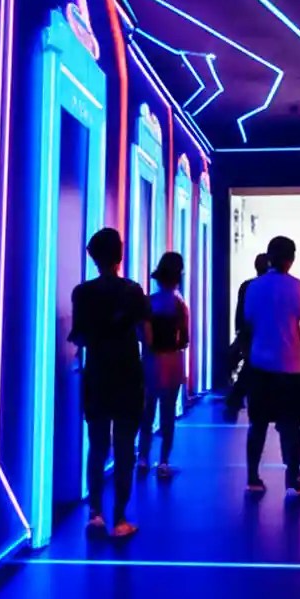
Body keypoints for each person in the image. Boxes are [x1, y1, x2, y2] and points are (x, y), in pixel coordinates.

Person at [68, 228, 151, 538]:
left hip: (98, 372)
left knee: (98, 443)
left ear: (93, 256)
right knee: (125, 445)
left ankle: (95, 513)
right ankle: (119, 518)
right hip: (128, 371)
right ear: (119, 254)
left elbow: (80, 336)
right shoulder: (133, 291)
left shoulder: (82, 293)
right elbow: (144, 335)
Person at [241, 236, 300, 498]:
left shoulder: (254, 287)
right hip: (289, 365)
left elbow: (249, 323)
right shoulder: (297, 287)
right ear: (291, 258)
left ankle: (253, 477)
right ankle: (293, 476)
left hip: (260, 365)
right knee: (290, 425)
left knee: (258, 424)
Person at [139, 252, 189, 477]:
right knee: (168, 413)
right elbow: (185, 339)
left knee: (146, 412)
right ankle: (164, 462)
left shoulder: (148, 302)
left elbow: (142, 335)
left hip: (150, 361)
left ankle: (142, 458)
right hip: (172, 361)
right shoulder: (180, 305)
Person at [224, 253, 269, 413]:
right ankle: (241, 395)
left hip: (248, 332)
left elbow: (240, 312)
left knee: (249, 363)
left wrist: (240, 332)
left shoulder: (248, 285)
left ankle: (237, 395)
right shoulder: (267, 287)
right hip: (262, 332)